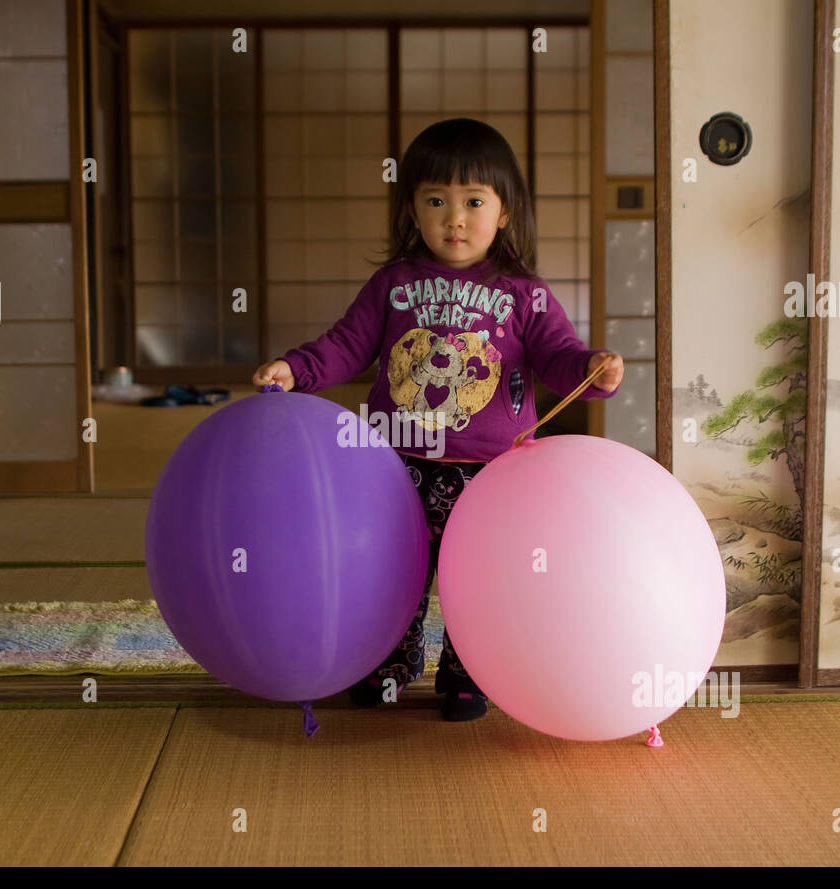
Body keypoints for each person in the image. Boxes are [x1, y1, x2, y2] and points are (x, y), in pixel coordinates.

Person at [251, 117, 624, 721]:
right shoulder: (393, 284)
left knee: (475, 579)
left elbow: (559, 355)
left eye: (474, 201)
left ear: (504, 212)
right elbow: (347, 345)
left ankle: (467, 671)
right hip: (394, 461)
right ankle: (391, 665)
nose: (455, 218)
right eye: (436, 201)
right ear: (413, 209)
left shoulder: (523, 293)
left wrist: (592, 368)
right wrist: (296, 370)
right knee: (395, 570)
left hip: (491, 470)